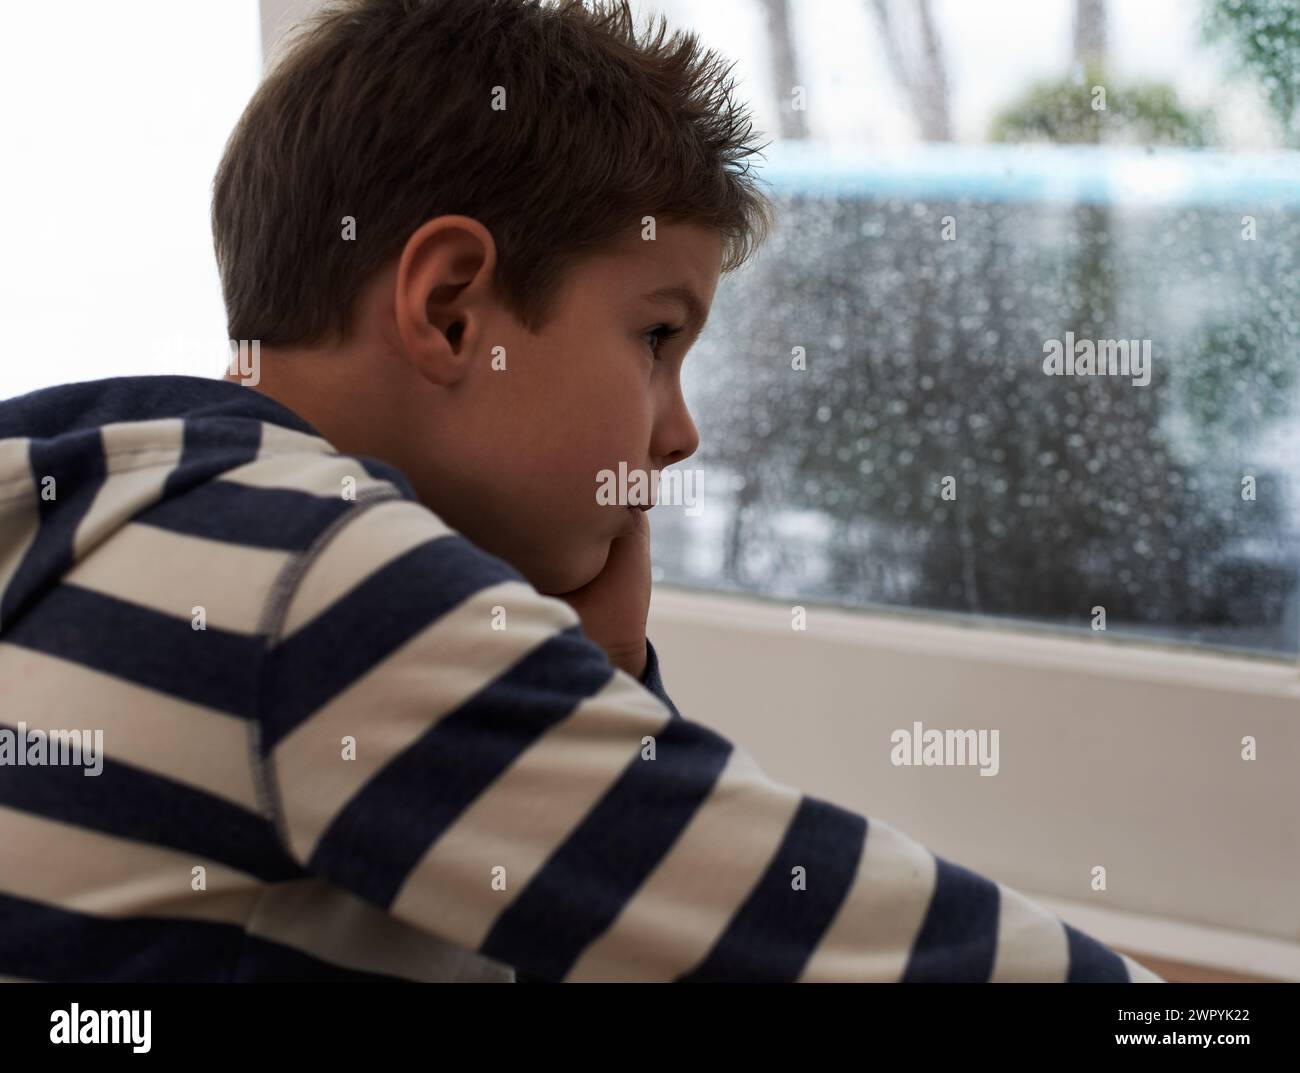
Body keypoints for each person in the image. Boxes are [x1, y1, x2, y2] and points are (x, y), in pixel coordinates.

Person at [0, 0, 1161, 982]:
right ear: (451, 308)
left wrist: (586, 678)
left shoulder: (110, 517)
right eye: (656, 335)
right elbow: (869, 948)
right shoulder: (321, 585)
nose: (681, 430)